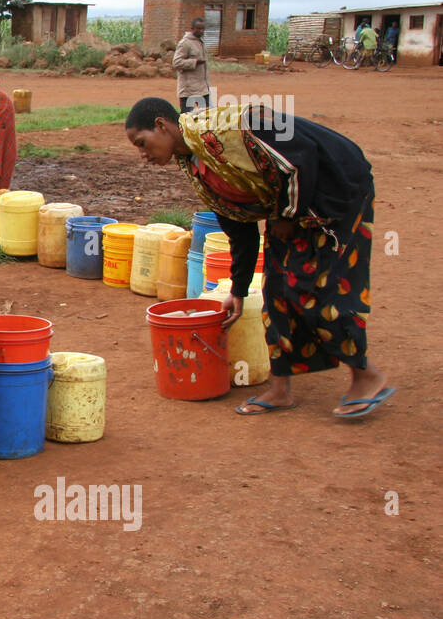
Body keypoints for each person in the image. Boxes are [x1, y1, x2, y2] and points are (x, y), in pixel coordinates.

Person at [124, 97, 392, 419]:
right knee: (277, 289)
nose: (142, 155)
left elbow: (300, 159)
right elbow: (239, 228)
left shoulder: (229, 127)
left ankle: (367, 376)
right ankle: (280, 390)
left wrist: (287, 217)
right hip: (290, 209)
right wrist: (237, 290)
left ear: (161, 125)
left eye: (142, 143)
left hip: (337, 188)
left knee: (321, 288)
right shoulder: (196, 164)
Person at [173, 17, 211, 113]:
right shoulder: (185, 43)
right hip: (188, 90)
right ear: (192, 28)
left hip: (203, 88)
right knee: (186, 118)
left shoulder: (201, 42)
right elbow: (176, 62)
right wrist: (195, 62)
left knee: (206, 117)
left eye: (203, 29)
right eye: (198, 28)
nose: (201, 31)